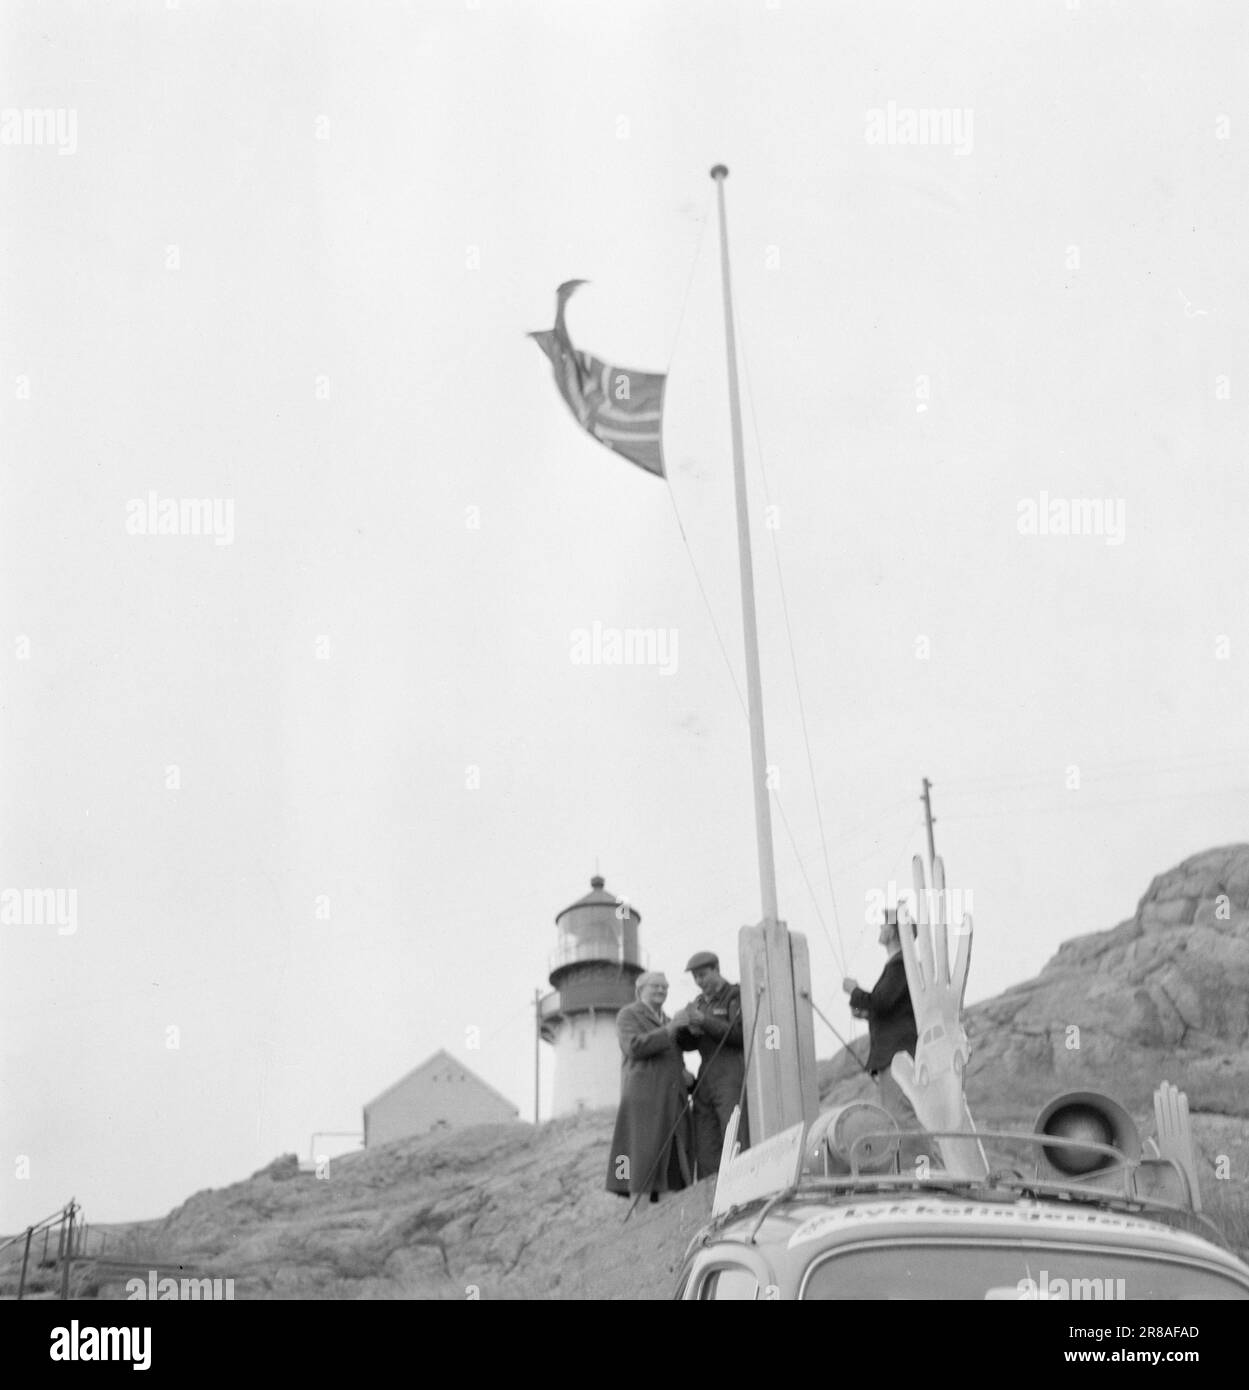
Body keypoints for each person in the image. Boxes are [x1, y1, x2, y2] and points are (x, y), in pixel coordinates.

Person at [605, 971, 695, 1202]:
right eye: (655, 986)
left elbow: (673, 1057)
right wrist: (670, 1029)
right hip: (643, 1099)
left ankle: (667, 1219)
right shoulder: (628, 1014)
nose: (661, 990)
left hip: (671, 1101)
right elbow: (634, 1047)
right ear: (640, 989)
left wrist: (685, 1075)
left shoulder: (668, 1019)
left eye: (665, 987)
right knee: (639, 1159)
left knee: (672, 1163)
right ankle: (639, 1217)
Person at [842, 907, 924, 1136]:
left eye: (884, 924)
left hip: (897, 1056)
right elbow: (891, 1008)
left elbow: (882, 1002)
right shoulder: (900, 965)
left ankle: (926, 1169)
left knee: (903, 1118)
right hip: (896, 1055)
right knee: (898, 1118)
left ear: (894, 931)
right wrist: (866, 1011)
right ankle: (923, 1168)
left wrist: (854, 991)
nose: (880, 927)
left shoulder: (901, 965)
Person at [676, 951, 748, 1179]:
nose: (699, 981)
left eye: (703, 975)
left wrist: (704, 1021)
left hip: (730, 1072)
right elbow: (688, 1045)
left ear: (717, 969)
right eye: (696, 977)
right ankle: (711, 1197)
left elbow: (739, 1035)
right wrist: (685, 1028)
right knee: (705, 1140)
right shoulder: (698, 1003)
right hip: (705, 1074)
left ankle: (741, 1188)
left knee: (734, 1134)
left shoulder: (734, 995)